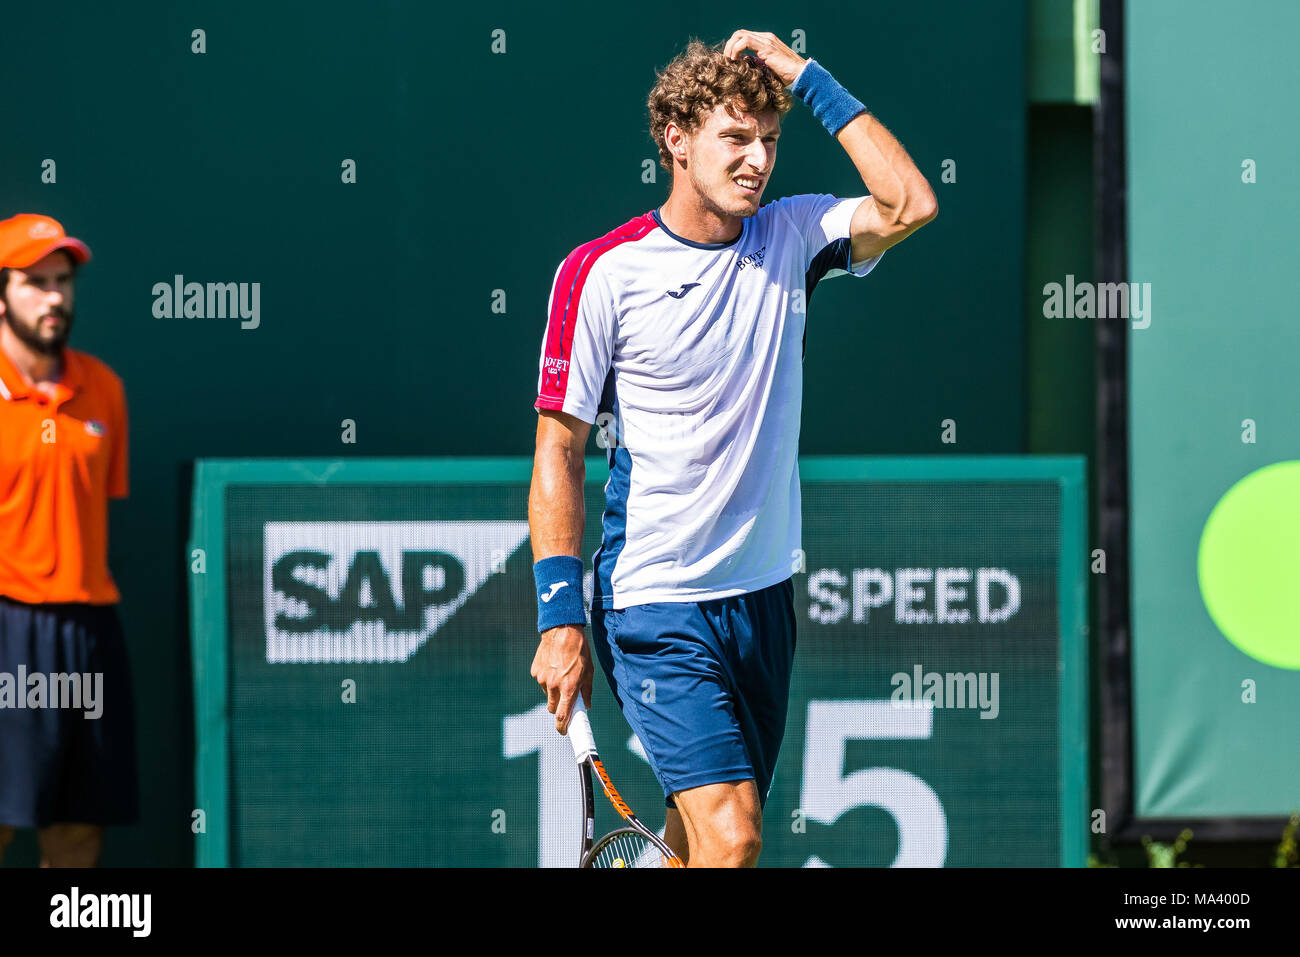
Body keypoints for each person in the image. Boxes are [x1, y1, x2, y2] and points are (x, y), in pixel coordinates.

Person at [529, 32, 936, 867]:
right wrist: (560, 614)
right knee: (734, 835)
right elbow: (558, 451)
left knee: (695, 845)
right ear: (676, 140)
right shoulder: (601, 273)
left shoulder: (793, 234)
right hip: (656, 601)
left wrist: (808, 78)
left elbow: (909, 205)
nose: (758, 160)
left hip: (762, 600)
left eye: (771, 141)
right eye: (735, 137)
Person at [0, 213, 137, 866]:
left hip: (87, 627)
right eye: (35, 282)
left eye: (64, 281)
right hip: (5, 625)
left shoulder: (103, 388)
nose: (55, 297)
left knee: (78, 825)